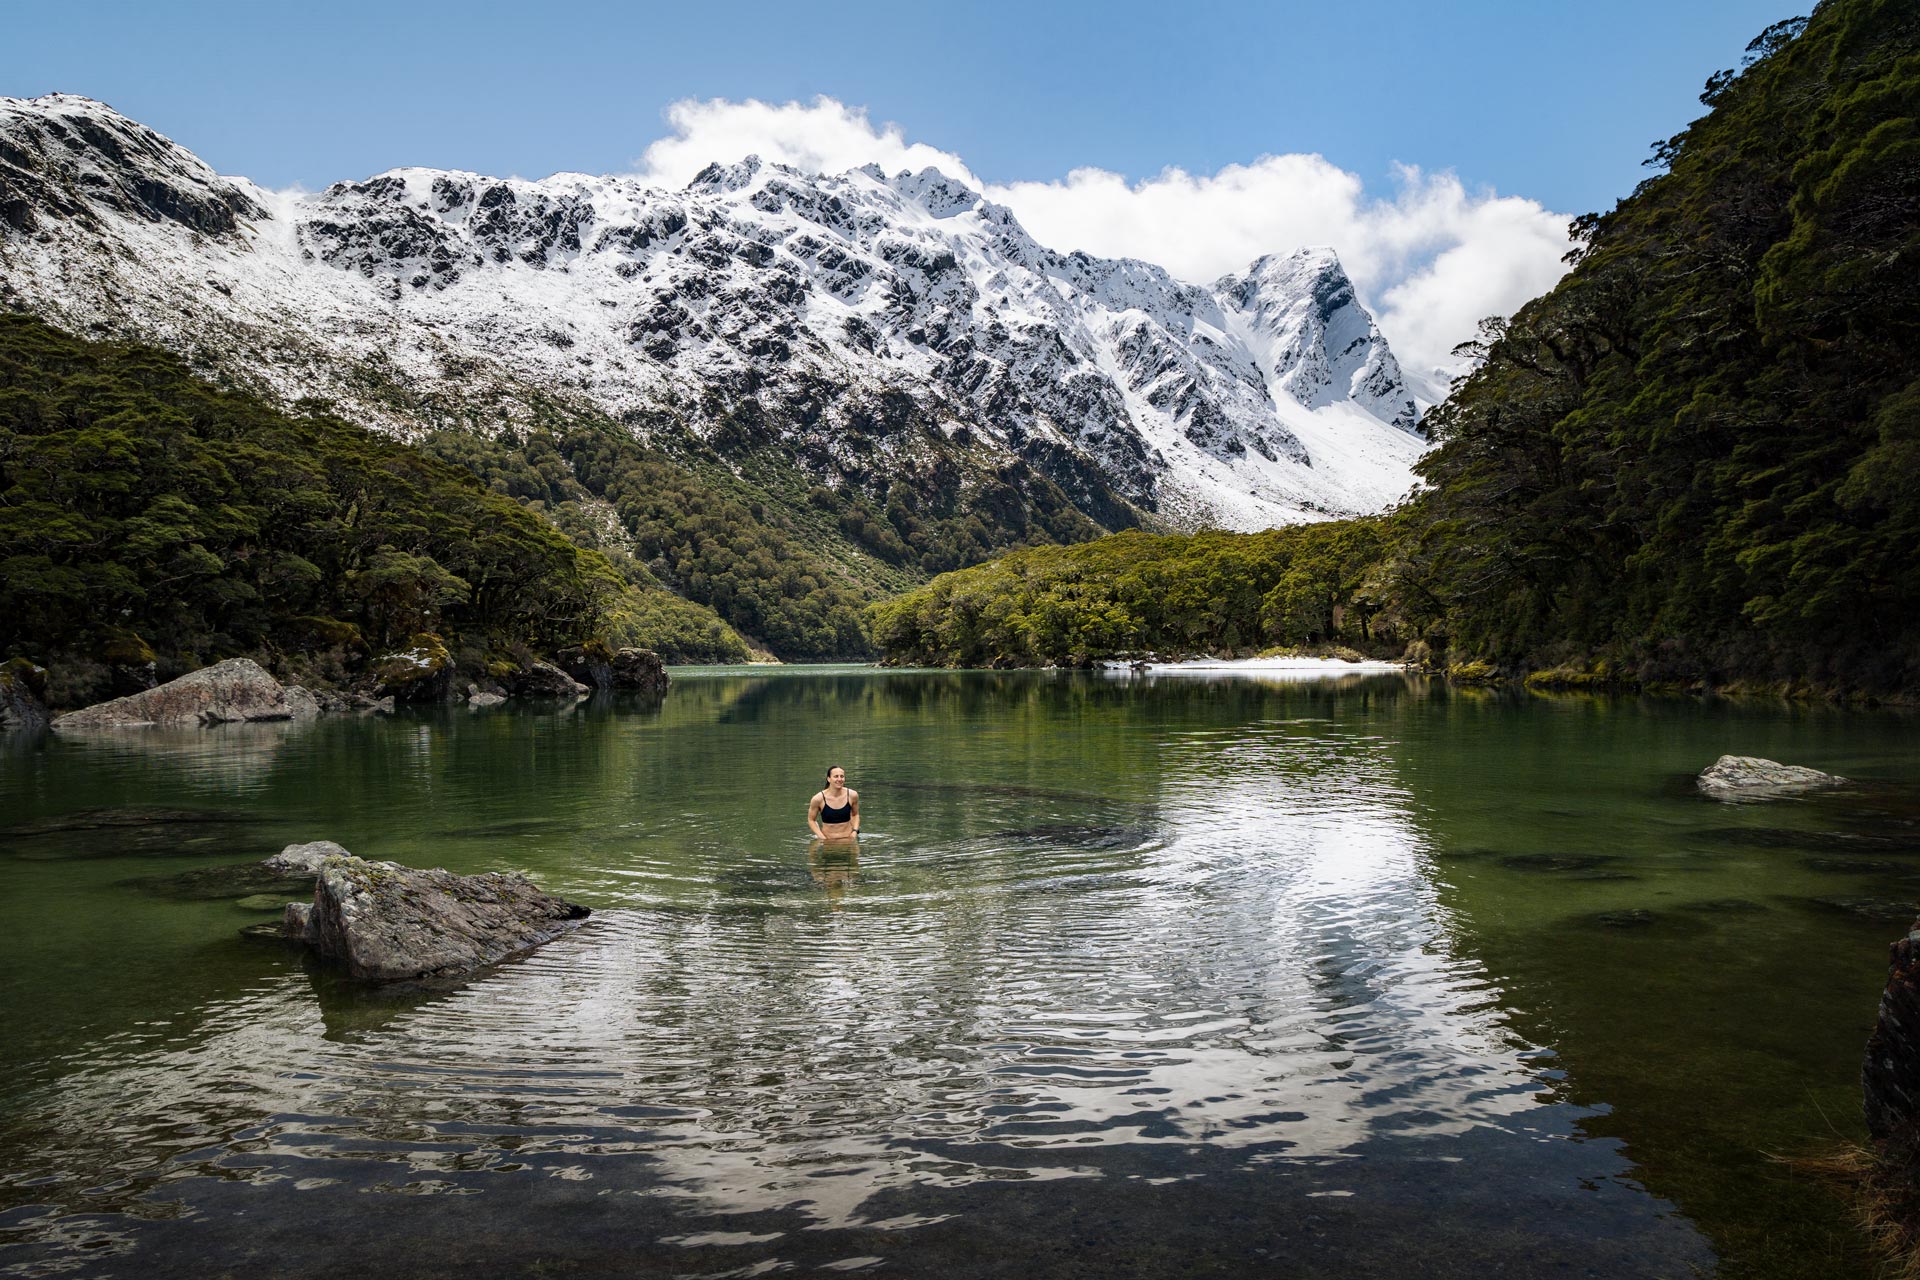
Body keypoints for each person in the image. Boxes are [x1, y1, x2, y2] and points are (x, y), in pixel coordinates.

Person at [808, 765, 860, 841]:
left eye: (842, 776)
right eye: (836, 776)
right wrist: (821, 837)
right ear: (828, 779)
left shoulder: (852, 795)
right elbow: (811, 820)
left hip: (849, 840)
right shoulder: (818, 799)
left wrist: (855, 832)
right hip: (828, 841)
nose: (839, 779)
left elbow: (855, 814)